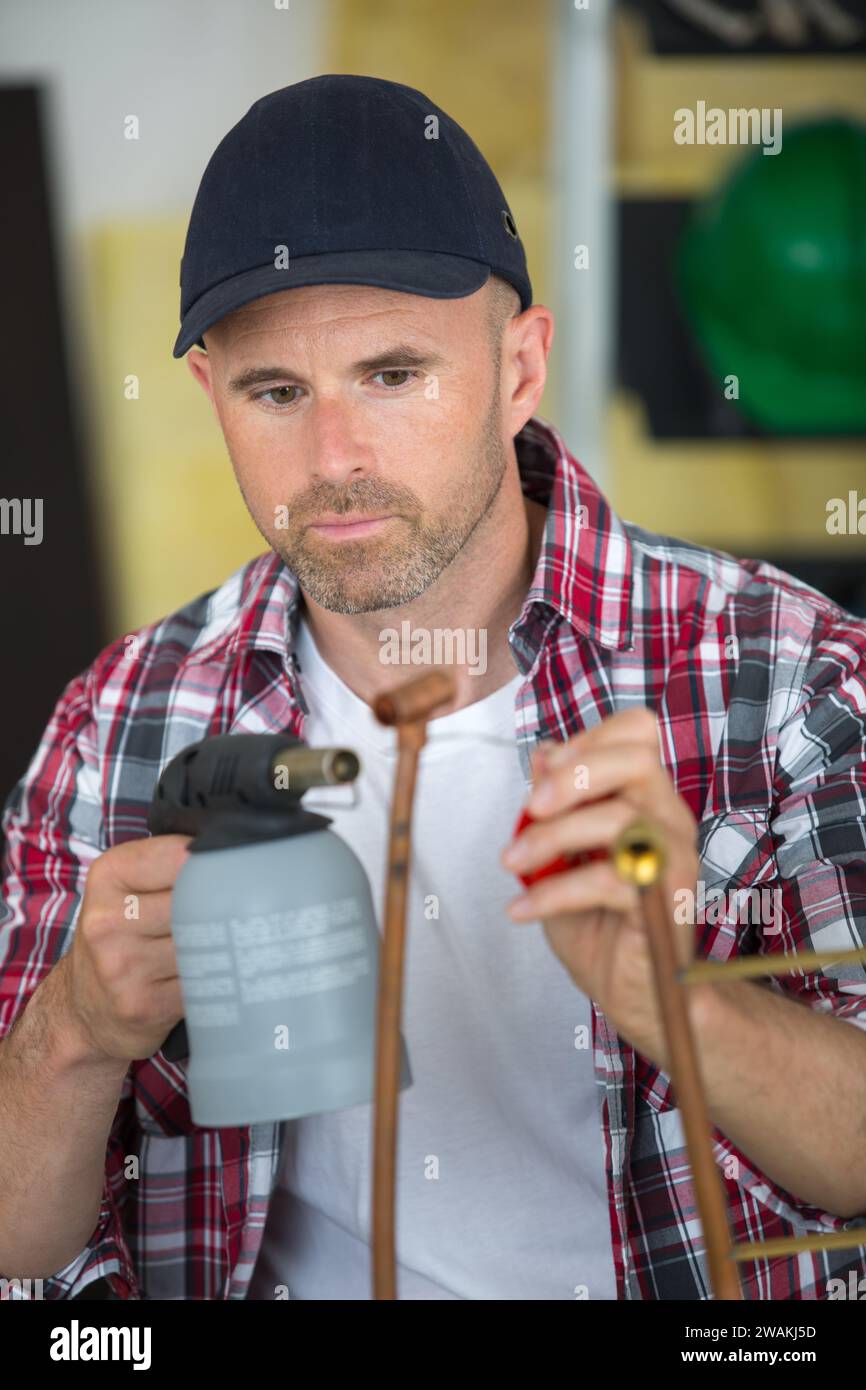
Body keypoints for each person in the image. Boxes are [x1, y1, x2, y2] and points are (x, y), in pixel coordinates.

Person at [1, 74, 866, 1303]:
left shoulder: (786, 678)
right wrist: (78, 1034)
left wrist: (670, 1001)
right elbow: (15, 1249)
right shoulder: (121, 724)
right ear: (212, 398)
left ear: (519, 369)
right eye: (276, 393)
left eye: (393, 374)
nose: (334, 457)